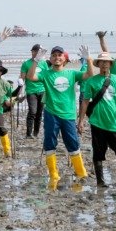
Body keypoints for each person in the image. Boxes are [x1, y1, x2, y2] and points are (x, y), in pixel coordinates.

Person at [23, 44, 90, 187]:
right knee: (49, 143)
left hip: (68, 115)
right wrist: (36, 61)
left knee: (73, 143)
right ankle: (53, 174)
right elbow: (30, 77)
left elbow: (88, 75)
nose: (57, 58)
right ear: (51, 59)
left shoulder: (72, 73)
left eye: (59, 55)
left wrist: (88, 59)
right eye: (54, 55)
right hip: (51, 114)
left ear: (64, 58)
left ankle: (81, 172)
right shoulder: (46, 74)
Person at [80, 50, 116, 187]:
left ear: (111, 64)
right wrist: (80, 121)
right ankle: (100, 181)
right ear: (98, 64)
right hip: (97, 123)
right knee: (98, 153)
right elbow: (85, 101)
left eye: (107, 62)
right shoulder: (91, 81)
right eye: (102, 62)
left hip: (114, 123)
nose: (104, 64)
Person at [20, 44, 46, 138]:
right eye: (35, 51)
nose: (37, 53)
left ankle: (36, 133)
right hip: (31, 91)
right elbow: (22, 78)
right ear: (32, 52)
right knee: (32, 111)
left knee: (39, 113)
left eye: (39, 52)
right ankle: (28, 134)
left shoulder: (43, 63)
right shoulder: (26, 64)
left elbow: (47, 77)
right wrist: (20, 92)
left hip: (42, 91)